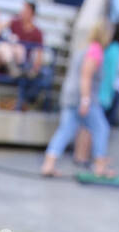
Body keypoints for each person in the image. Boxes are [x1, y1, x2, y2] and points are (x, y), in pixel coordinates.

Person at [40, 21, 114, 179]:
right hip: (82, 97)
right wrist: (86, 101)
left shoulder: (85, 48)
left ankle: (49, 163)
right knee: (101, 128)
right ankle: (100, 166)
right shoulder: (95, 51)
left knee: (66, 129)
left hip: (70, 94)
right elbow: (86, 76)